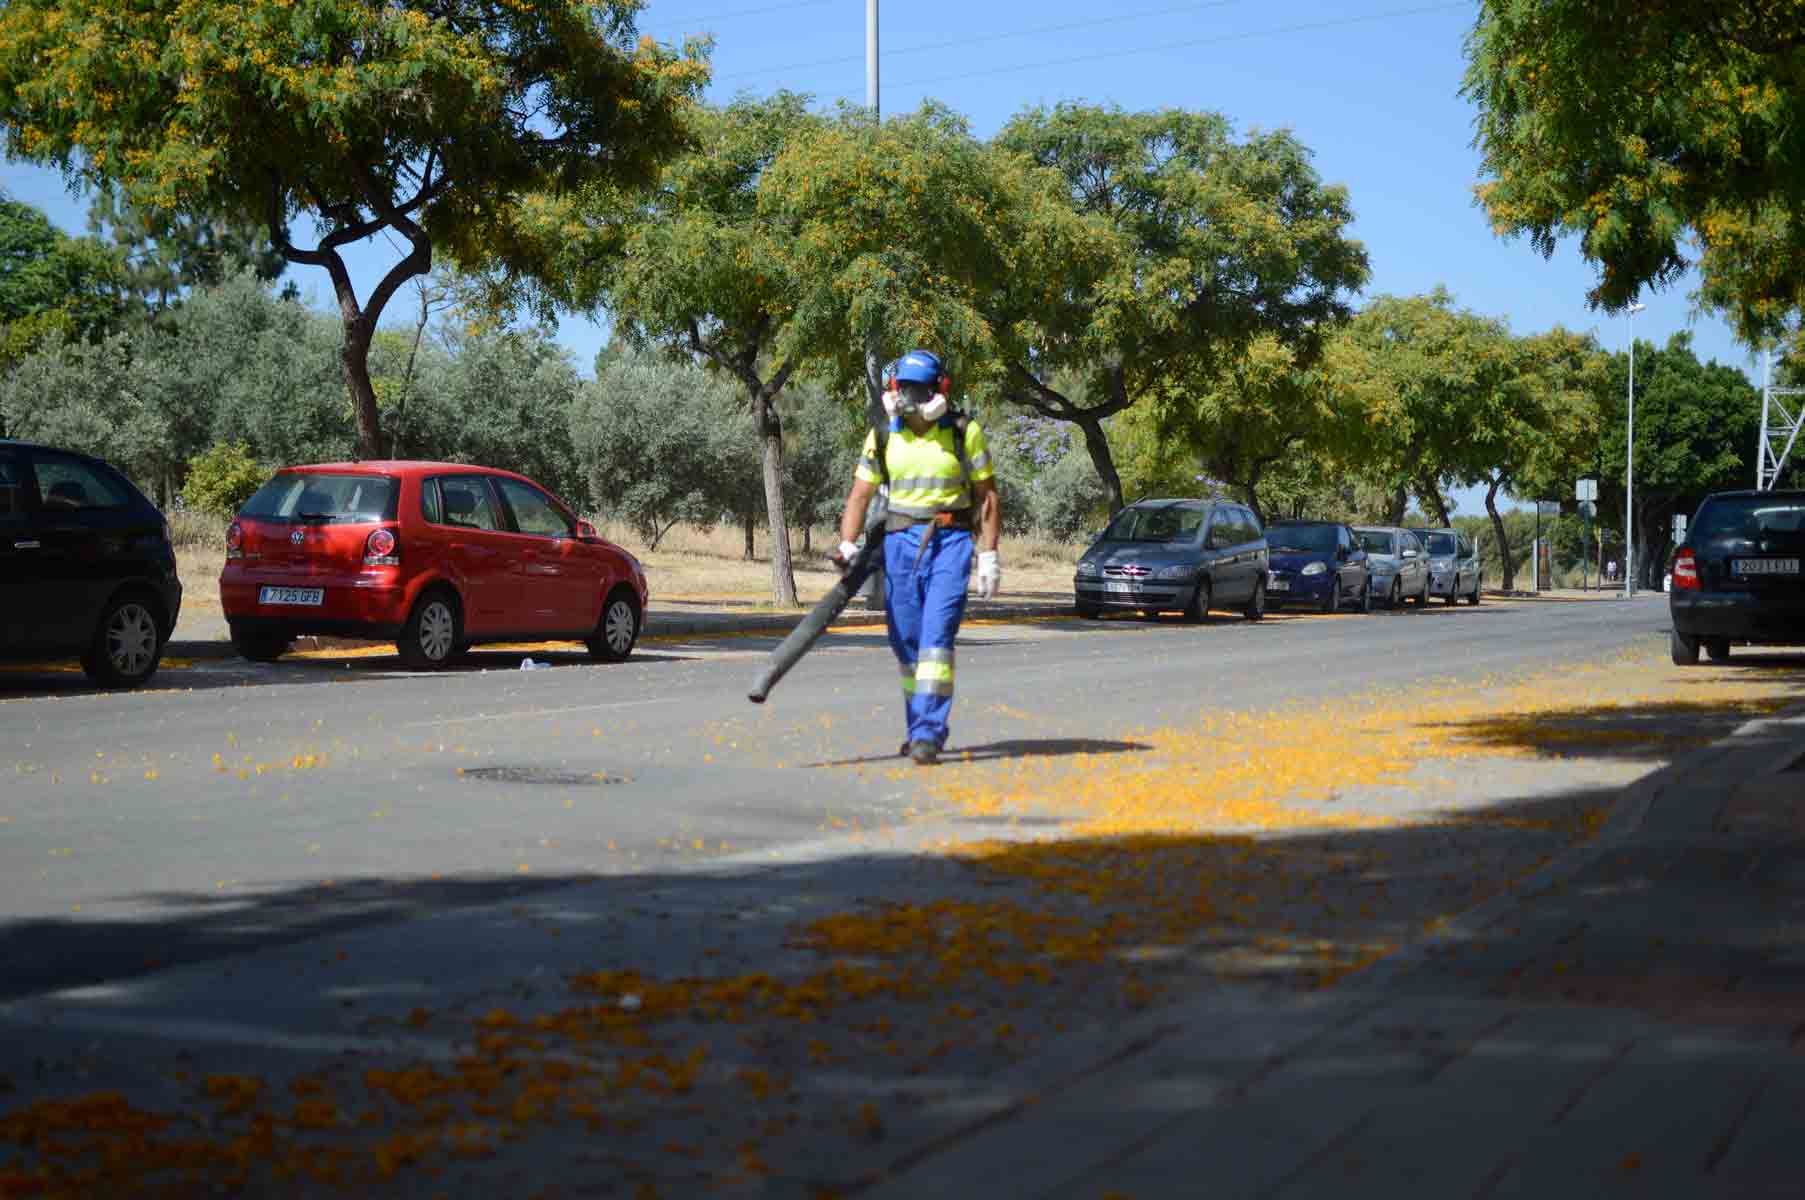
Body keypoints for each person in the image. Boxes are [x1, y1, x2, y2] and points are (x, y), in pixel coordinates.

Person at [834, 349, 1002, 765]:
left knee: (935, 639)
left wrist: (989, 556)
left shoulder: (964, 431)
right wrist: (847, 543)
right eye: (905, 388)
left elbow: (988, 497)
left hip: (951, 541)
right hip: (899, 544)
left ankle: (929, 733)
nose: (911, 397)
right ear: (895, 390)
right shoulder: (884, 435)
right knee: (906, 643)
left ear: (939, 389)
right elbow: (859, 495)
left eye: (920, 388)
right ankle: (917, 730)